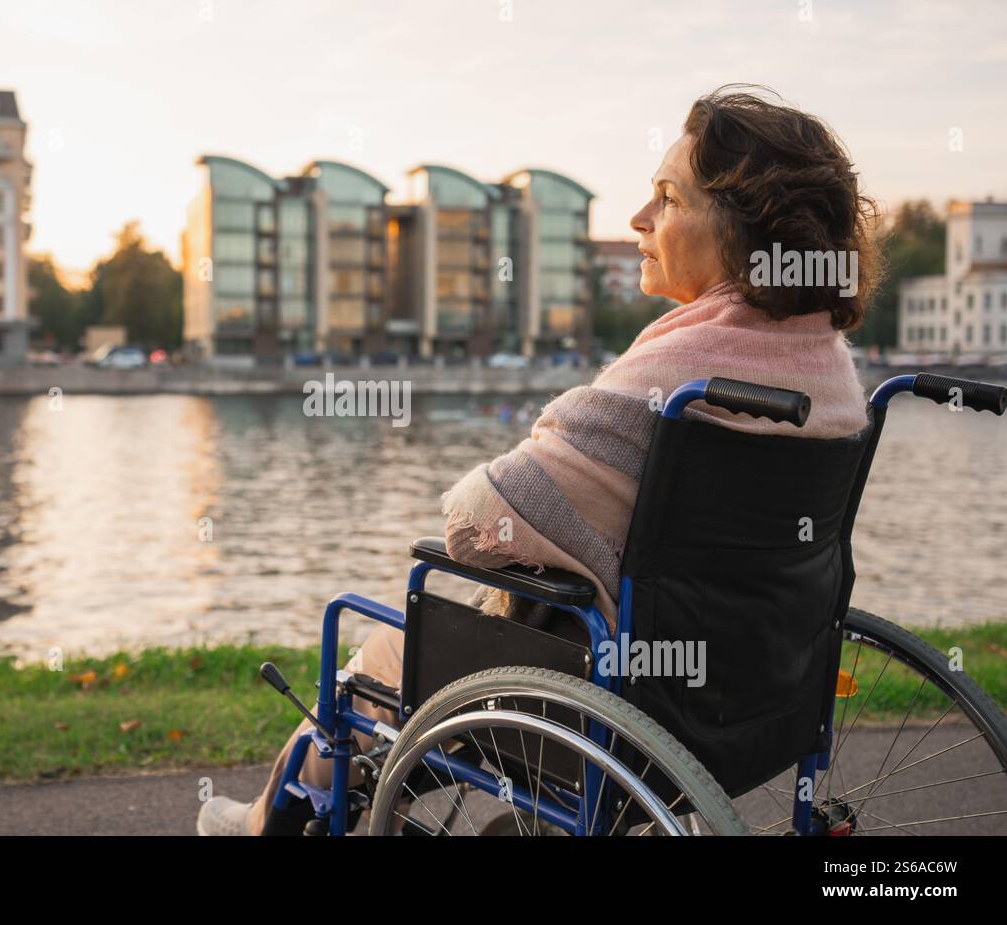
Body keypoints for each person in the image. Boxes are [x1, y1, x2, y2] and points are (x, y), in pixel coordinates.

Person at [197, 85, 880, 836]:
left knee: (385, 643)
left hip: (623, 700)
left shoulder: (675, 378)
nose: (639, 220)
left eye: (668, 198)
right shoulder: (830, 374)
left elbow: (482, 519)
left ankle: (270, 820)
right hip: (758, 692)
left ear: (744, 232)